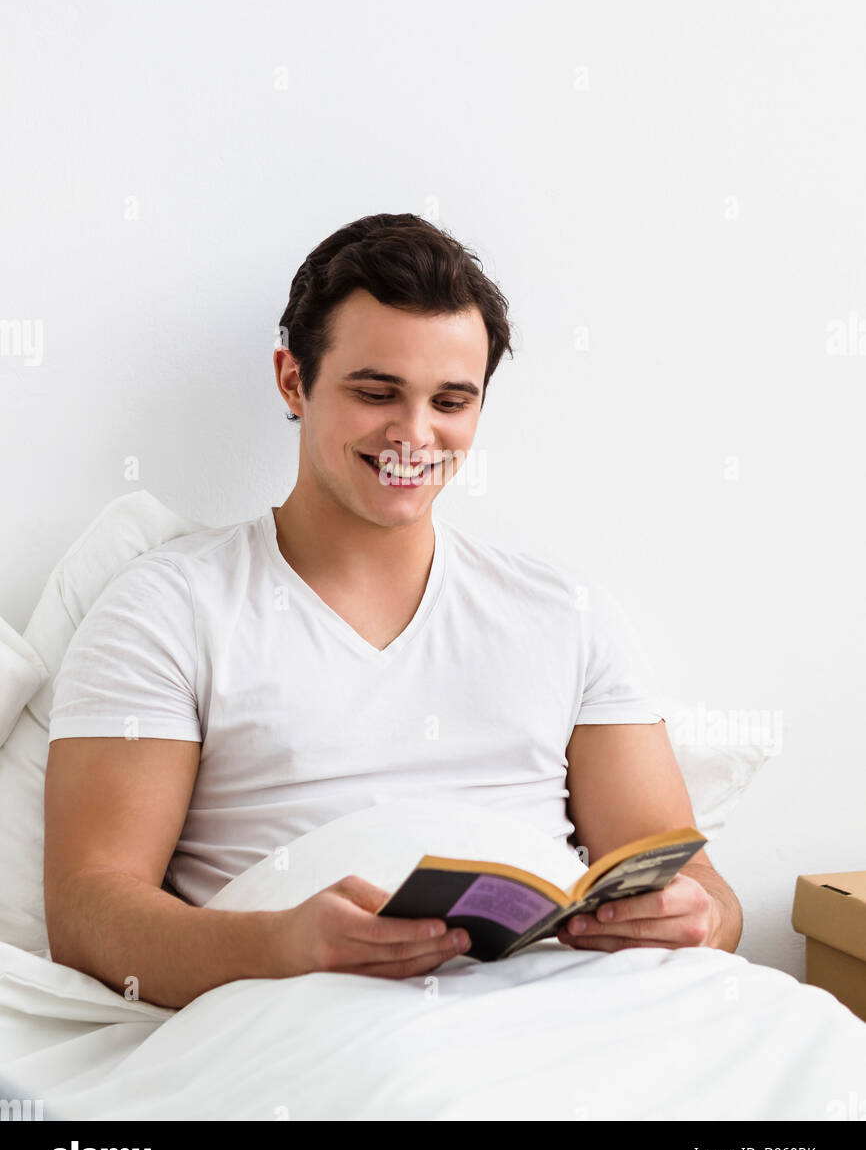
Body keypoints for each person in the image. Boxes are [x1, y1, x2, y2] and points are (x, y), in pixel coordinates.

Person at [44, 212, 741, 1009]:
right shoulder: (167, 608)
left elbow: (694, 880)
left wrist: (700, 917)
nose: (415, 435)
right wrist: (281, 946)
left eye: (451, 401)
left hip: (571, 1003)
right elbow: (87, 910)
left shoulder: (566, 614)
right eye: (377, 392)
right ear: (292, 380)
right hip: (314, 1017)